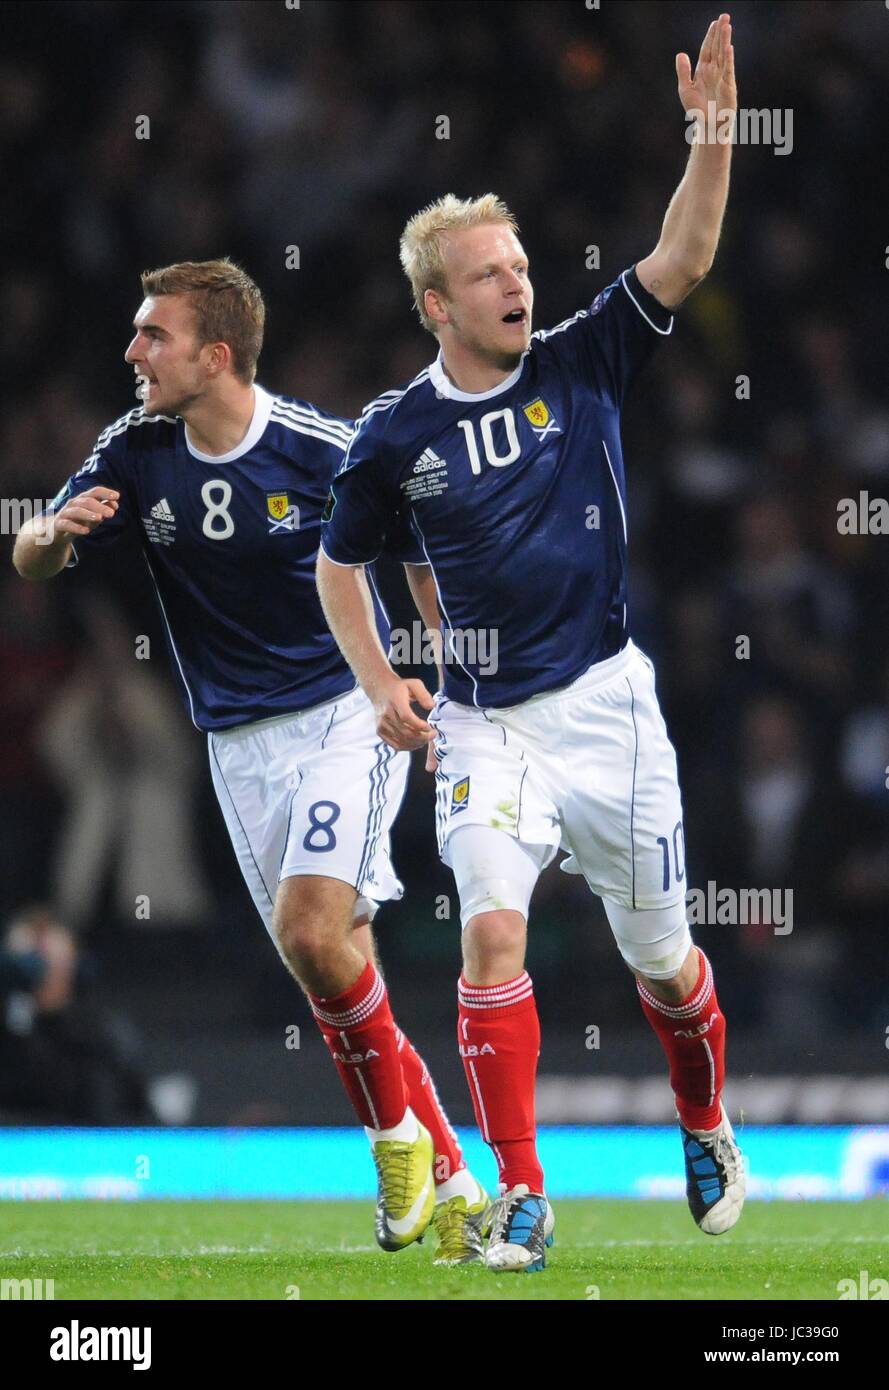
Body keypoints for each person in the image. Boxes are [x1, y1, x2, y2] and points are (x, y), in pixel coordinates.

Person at [316, 16, 744, 1272]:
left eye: (519, 263)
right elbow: (341, 563)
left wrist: (712, 137)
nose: (519, 283)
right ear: (436, 304)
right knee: (488, 931)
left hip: (607, 706)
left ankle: (706, 1117)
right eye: (490, 274)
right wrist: (382, 675)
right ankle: (520, 1191)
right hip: (486, 722)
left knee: (663, 960)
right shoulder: (392, 438)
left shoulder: (586, 357)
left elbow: (687, 249)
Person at [13, 258, 488, 1263]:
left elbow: (416, 541)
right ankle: (448, 1177)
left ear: (214, 355)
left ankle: (394, 1141)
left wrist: (427, 671)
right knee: (333, 968)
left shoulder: (318, 449)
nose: (133, 351)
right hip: (237, 748)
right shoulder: (135, 451)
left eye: (154, 335)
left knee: (310, 930)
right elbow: (29, 555)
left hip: (339, 719)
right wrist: (51, 536)